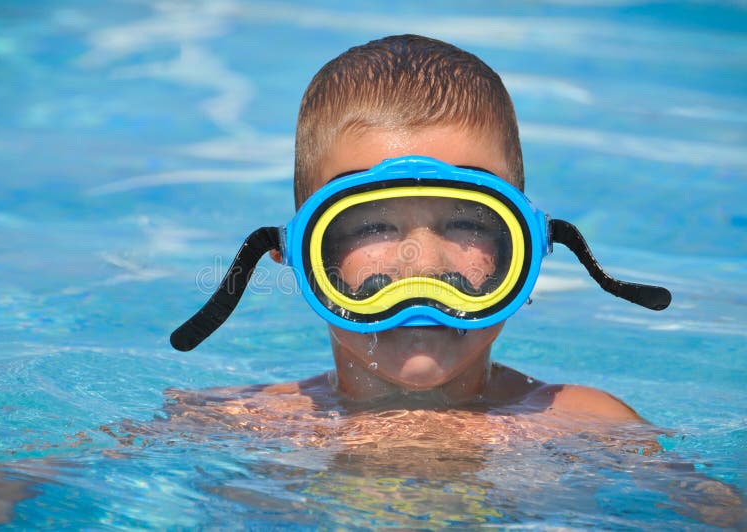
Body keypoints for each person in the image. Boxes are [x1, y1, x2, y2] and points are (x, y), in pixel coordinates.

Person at [170, 34, 671, 424]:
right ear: (297, 256)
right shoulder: (234, 425)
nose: (423, 265)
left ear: (532, 249)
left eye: (465, 223)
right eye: (371, 227)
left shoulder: (587, 426)